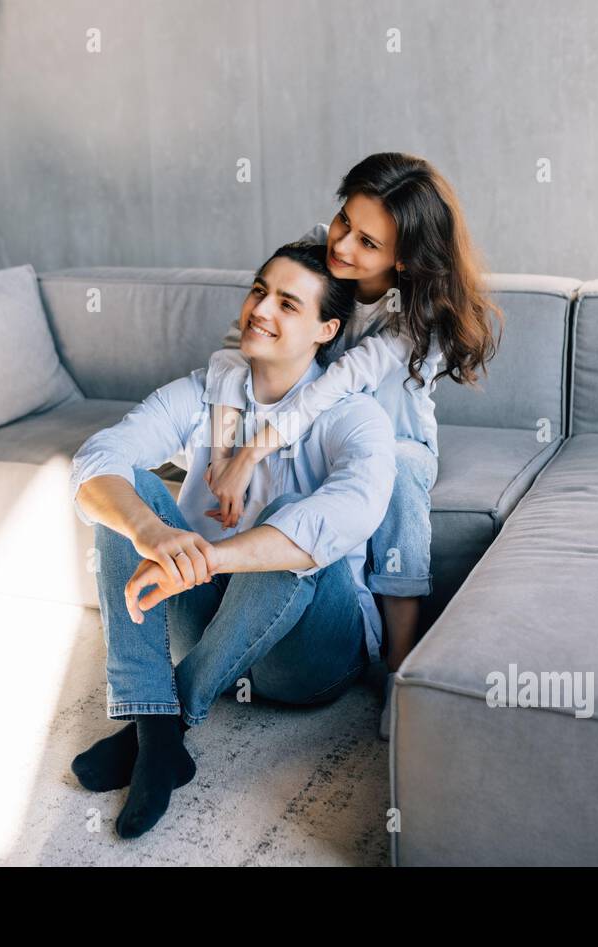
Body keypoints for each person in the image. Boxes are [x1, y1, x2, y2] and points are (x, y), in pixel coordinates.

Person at [69, 242, 397, 839]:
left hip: (309, 658)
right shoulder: (208, 391)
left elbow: (346, 515)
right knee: (131, 488)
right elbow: (97, 461)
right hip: (213, 622)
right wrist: (151, 531)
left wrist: (210, 556)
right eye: (258, 290)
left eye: (287, 303)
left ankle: (171, 724)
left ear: (327, 329)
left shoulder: (353, 416)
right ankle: (151, 718)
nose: (260, 309)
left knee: (292, 519)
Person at [202, 152, 503, 739]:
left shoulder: (416, 312)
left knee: (398, 473)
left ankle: (398, 669)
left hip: (392, 436)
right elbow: (248, 341)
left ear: (404, 258)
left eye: (368, 243)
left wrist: (249, 453)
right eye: (345, 221)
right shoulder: (317, 248)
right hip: (310, 425)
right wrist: (224, 451)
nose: (343, 246)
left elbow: (342, 382)